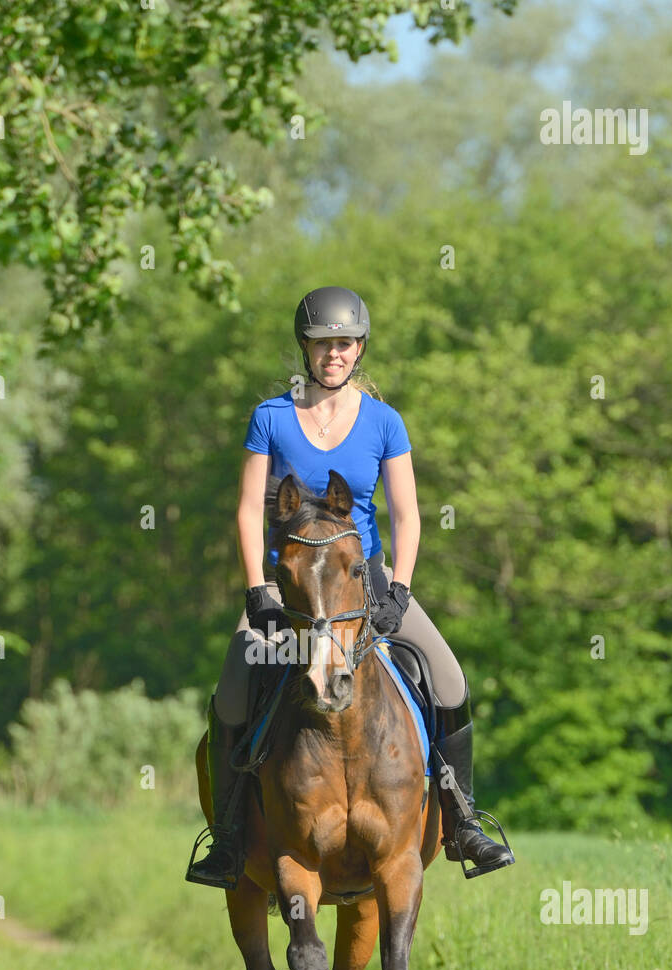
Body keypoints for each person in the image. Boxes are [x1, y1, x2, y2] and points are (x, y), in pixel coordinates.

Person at [186, 285, 513, 890]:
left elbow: (407, 515)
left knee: (449, 680)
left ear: (358, 348)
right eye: (321, 344)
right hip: (289, 595)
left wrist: (400, 591)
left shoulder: (384, 422)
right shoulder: (271, 416)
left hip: (366, 587)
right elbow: (244, 510)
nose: (332, 354)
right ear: (305, 349)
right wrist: (257, 589)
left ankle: (464, 820)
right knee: (233, 692)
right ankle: (229, 839)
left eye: (343, 344)